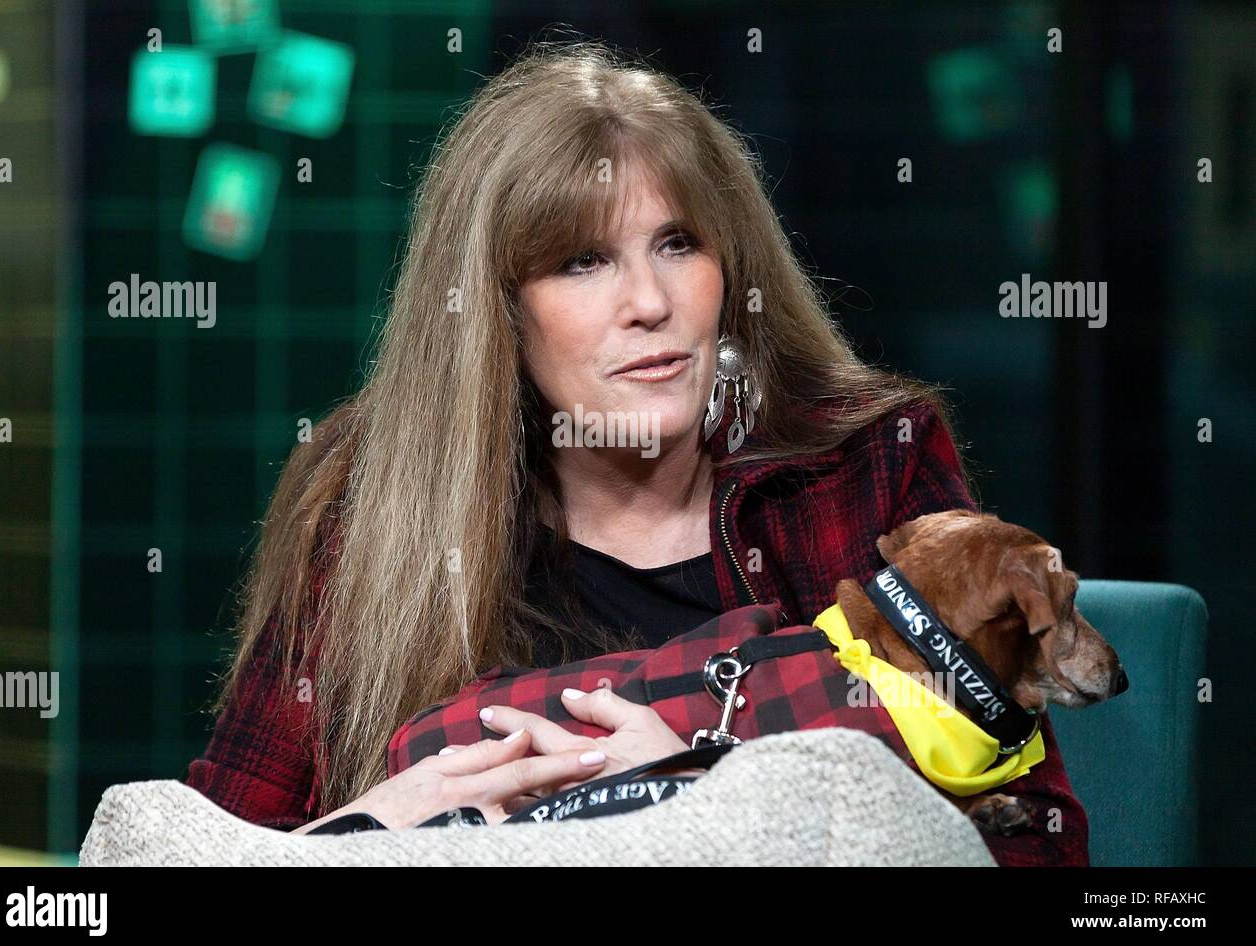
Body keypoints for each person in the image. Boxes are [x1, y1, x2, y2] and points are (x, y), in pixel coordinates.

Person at [186, 40, 1089, 865]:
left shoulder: (866, 464)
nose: (650, 302)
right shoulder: (378, 495)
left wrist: (722, 799)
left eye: (678, 243)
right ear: (499, 314)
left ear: (730, 274)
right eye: (583, 261)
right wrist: (369, 831)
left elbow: (1037, 846)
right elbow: (199, 848)